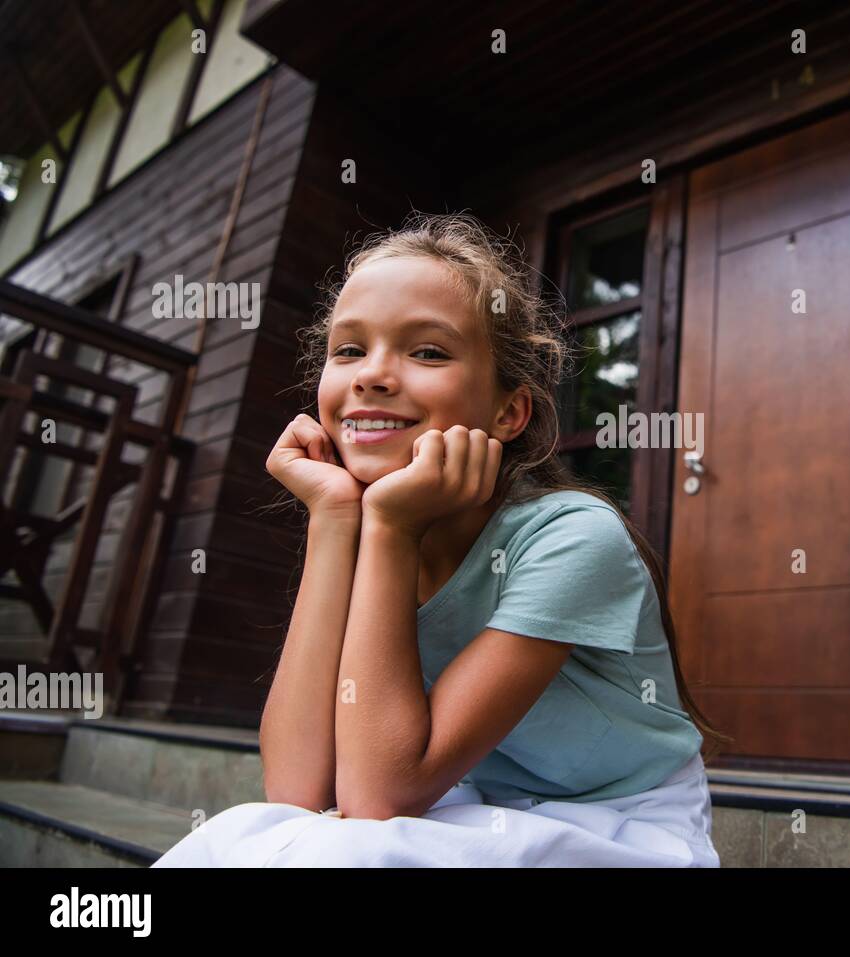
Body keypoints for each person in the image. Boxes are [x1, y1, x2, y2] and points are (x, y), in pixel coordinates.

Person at [153, 213, 727, 866]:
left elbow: (379, 794)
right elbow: (294, 790)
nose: (372, 374)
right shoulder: (361, 530)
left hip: (623, 817)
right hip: (477, 798)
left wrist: (391, 528)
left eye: (426, 351)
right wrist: (333, 519)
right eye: (349, 349)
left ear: (508, 412)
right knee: (237, 835)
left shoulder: (573, 538)